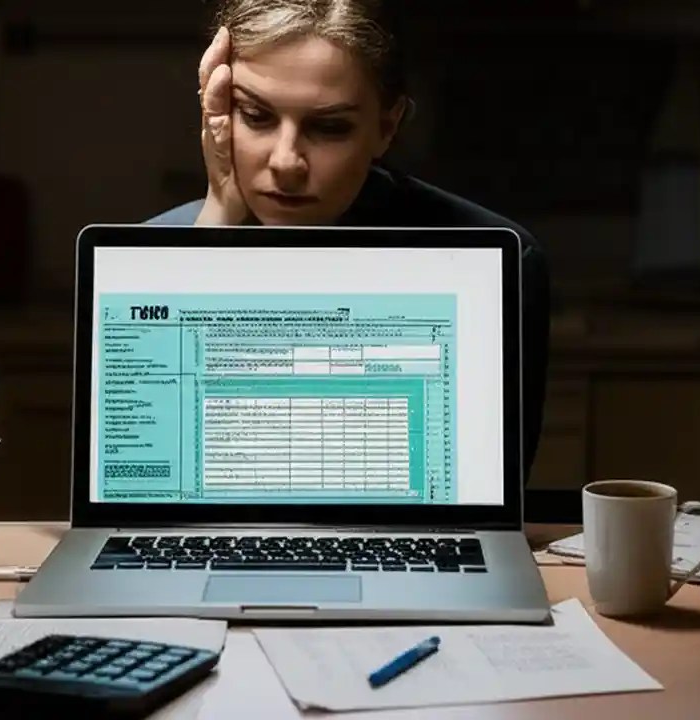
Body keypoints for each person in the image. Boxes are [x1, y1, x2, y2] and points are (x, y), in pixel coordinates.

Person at [146, 0, 551, 476]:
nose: (286, 162)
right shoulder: (153, 253)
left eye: (329, 127)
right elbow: (150, 463)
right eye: (255, 115)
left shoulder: (496, 260)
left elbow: (488, 486)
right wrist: (216, 225)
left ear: (386, 127)